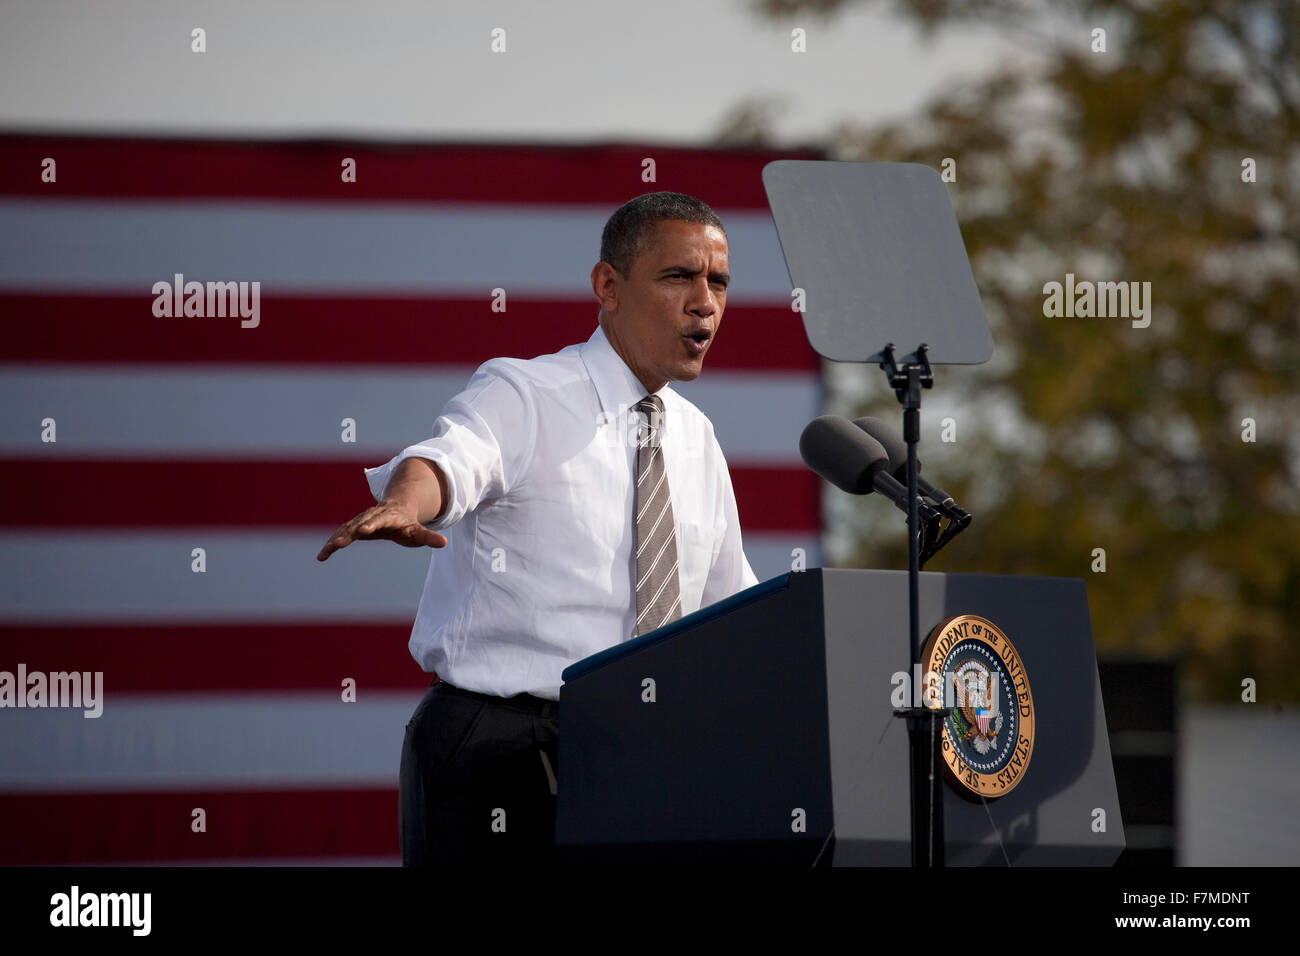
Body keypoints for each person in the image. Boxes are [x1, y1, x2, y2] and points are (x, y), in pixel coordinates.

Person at [316, 191, 759, 865]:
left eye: (718, 282)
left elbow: (732, 613)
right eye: (679, 277)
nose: (705, 302)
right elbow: (449, 460)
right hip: (501, 750)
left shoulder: (698, 438)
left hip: (644, 757)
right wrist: (407, 502)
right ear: (607, 286)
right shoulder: (525, 393)